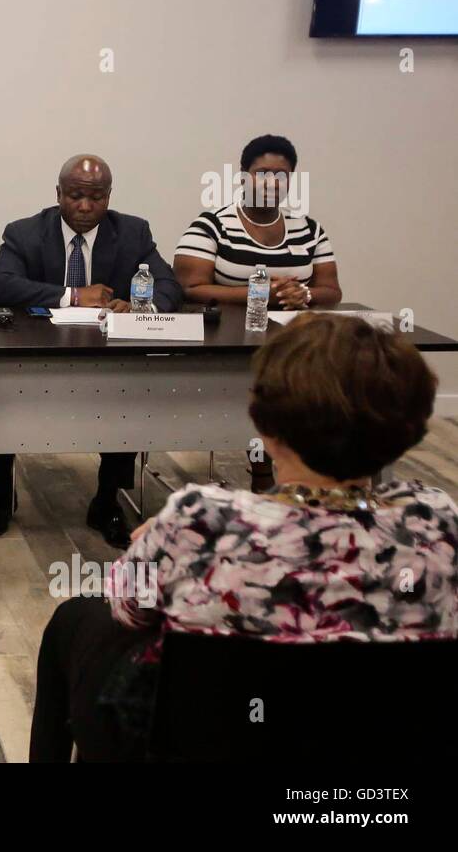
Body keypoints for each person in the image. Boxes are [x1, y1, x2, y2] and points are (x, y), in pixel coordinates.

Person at [29, 314, 456, 762]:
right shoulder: (438, 523)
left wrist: (160, 542)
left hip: (203, 738)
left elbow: (127, 609)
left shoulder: (203, 520)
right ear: (407, 428)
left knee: (77, 617)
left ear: (266, 427)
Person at [0, 154, 183, 547]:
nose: (86, 206)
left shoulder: (132, 233)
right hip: (34, 354)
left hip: (107, 359)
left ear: (109, 196)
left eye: (96, 197)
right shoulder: (25, 232)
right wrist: (73, 296)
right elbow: (0, 285)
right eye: (76, 196)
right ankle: (3, 491)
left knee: (129, 392)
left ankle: (107, 500)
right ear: (59, 193)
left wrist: (142, 306)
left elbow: (170, 286)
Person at [174, 134, 343, 491]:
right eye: (262, 173)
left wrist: (304, 293)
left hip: (295, 346)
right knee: (269, 387)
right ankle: (265, 477)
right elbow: (189, 288)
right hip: (228, 346)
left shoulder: (309, 230)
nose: (271, 183)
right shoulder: (211, 225)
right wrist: (260, 293)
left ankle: (323, 477)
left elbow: (331, 290)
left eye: (281, 176)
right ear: (243, 178)